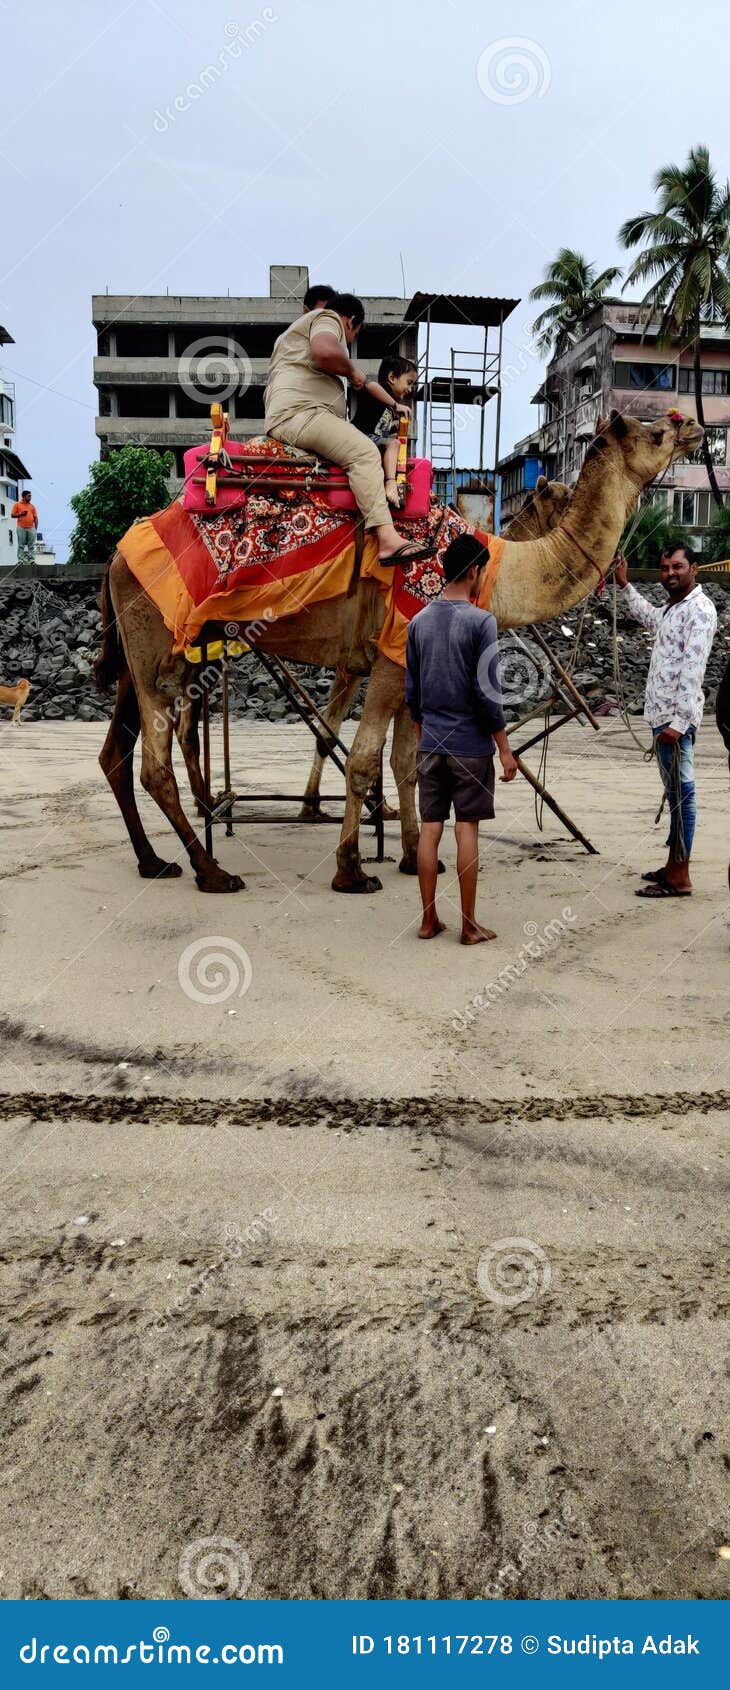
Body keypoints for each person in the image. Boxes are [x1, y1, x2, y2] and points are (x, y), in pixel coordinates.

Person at [405, 533, 518, 943]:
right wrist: (504, 749)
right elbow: (489, 693)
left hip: (430, 744)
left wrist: (425, 739)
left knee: (430, 828)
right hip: (469, 747)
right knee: (465, 828)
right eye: (483, 571)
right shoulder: (481, 622)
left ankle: (428, 921)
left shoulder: (418, 622)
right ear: (473, 571)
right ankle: (469, 925)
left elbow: (412, 695)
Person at [264, 291, 431, 566]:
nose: (348, 341)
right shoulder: (327, 318)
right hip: (303, 413)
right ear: (351, 321)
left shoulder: (287, 339)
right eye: (353, 336)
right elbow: (325, 351)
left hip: (288, 416)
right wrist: (352, 371)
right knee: (365, 453)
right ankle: (388, 539)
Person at [614, 542, 717, 898]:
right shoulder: (674, 608)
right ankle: (673, 864)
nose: (670, 573)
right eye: (664, 568)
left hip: (675, 722)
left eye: (677, 567)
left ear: (694, 569)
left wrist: (679, 723)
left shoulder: (699, 610)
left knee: (682, 795)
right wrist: (625, 584)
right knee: (674, 794)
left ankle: (680, 876)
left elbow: (693, 669)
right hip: (662, 718)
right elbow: (649, 616)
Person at [353, 354, 418, 507]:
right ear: (392, 377)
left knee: (394, 444)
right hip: (360, 436)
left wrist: (397, 427)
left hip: (371, 440)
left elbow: (380, 428)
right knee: (394, 444)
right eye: (409, 383)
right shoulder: (382, 391)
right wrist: (396, 405)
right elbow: (370, 385)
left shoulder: (388, 403)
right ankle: (391, 483)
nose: (410, 389)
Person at [12, 489, 38, 563]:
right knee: (21, 545)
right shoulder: (17, 504)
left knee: (31, 545)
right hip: (21, 527)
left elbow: (35, 518)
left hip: (31, 528)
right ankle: (21, 559)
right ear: (24, 496)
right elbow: (12, 515)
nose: (30, 497)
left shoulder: (32, 506)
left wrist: (35, 529)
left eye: (30, 496)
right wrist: (21, 514)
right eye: (29, 496)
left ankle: (31, 560)